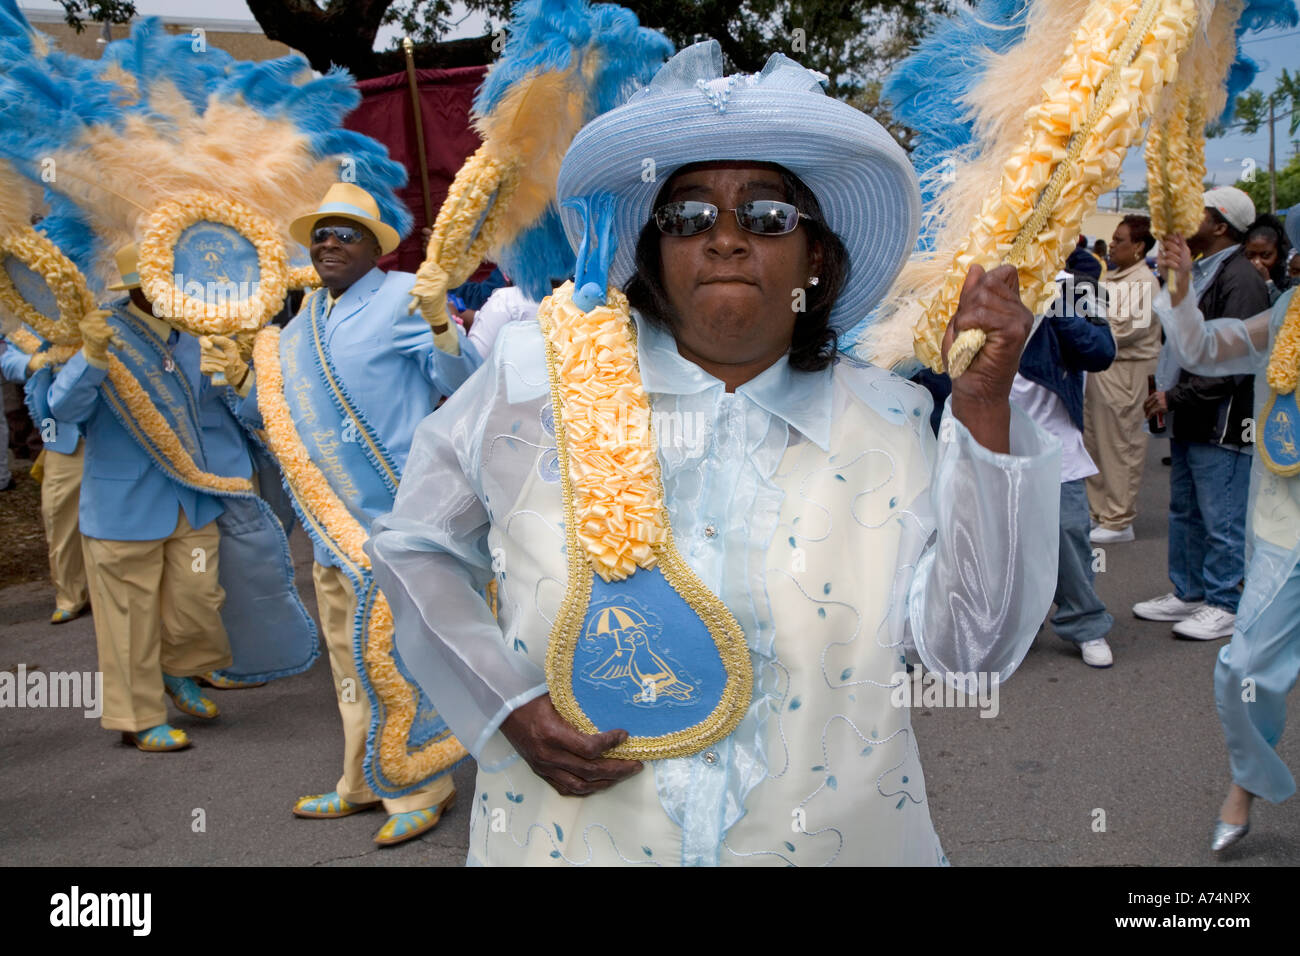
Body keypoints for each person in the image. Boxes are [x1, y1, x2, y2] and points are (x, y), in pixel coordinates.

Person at [368, 41, 1062, 866]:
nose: (726, 239)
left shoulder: (894, 419)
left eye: (767, 216)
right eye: (688, 215)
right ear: (655, 254)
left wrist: (981, 408)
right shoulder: (533, 384)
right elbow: (417, 548)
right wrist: (502, 702)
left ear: (817, 256)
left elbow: (969, 652)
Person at [218, 182, 483, 846]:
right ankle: (363, 779)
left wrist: (442, 327)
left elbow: (469, 387)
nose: (328, 243)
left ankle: (423, 784)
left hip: (396, 515)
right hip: (328, 525)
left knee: (401, 656)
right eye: (320, 233)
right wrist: (240, 380)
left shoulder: (403, 299)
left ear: (374, 247)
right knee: (348, 661)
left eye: (345, 233)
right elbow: (272, 426)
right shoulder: (298, 322)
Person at [46, 245, 233, 752]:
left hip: (190, 495)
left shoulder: (191, 334)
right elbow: (61, 407)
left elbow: (213, 404)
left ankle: (180, 670)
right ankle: (139, 717)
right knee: (127, 620)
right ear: (133, 289)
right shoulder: (101, 330)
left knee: (199, 598)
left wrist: (236, 368)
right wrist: (90, 359)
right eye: (155, 285)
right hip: (122, 507)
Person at [1153, 233, 1299, 852]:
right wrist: (1181, 292)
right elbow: (1205, 349)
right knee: (1242, 666)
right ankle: (1247, 783)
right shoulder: (1290, 312)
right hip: (1285, 525)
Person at [1134, 187, 1271, 640]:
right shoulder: (1200, 270)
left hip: (1221, 419)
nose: (1186, 218)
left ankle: (1226, 601)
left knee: (1221, 515)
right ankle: (1189, 592)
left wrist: (1178, 397)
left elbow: (1233, 361)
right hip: (1190, 415)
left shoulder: (1241, 279)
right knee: (1185, 510)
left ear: (1220, 224)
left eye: (1199, 212)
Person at [1013, 253, 1117, 667]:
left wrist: (1051, 304)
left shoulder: (1074, 287)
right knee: (1009, 544)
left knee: (1068, 534)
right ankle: (1021, 624)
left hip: (1056, 444)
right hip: (994, 442)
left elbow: (1100, 350)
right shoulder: (981, 276)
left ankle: (1085, 623)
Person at [1085, 214, 1162, 543]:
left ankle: (1119, 519)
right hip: (1102, 368)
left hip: (1127, 370)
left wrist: (1086, 329)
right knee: (1096, 442)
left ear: (1139, 247)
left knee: (1121, 443)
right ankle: (1100, 512)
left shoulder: (1144, 281)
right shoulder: (1116, 277)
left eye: (1119, 240)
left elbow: (1127, 328)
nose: (1112, 245)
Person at [1, 334, 89, 623]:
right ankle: (70, 595)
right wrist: (33, 362)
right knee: (58, 513)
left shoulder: (108, 303)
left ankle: (120, 589)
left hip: (114, 430)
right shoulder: (35, 316)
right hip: (58, 433)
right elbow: (8, 359)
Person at [1243, 214, 1293, 304]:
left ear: (1279, 255)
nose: (1257, 262)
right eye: (1250, 255)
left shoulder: (1289, 279)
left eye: (1265, 255)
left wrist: (1268, 282)